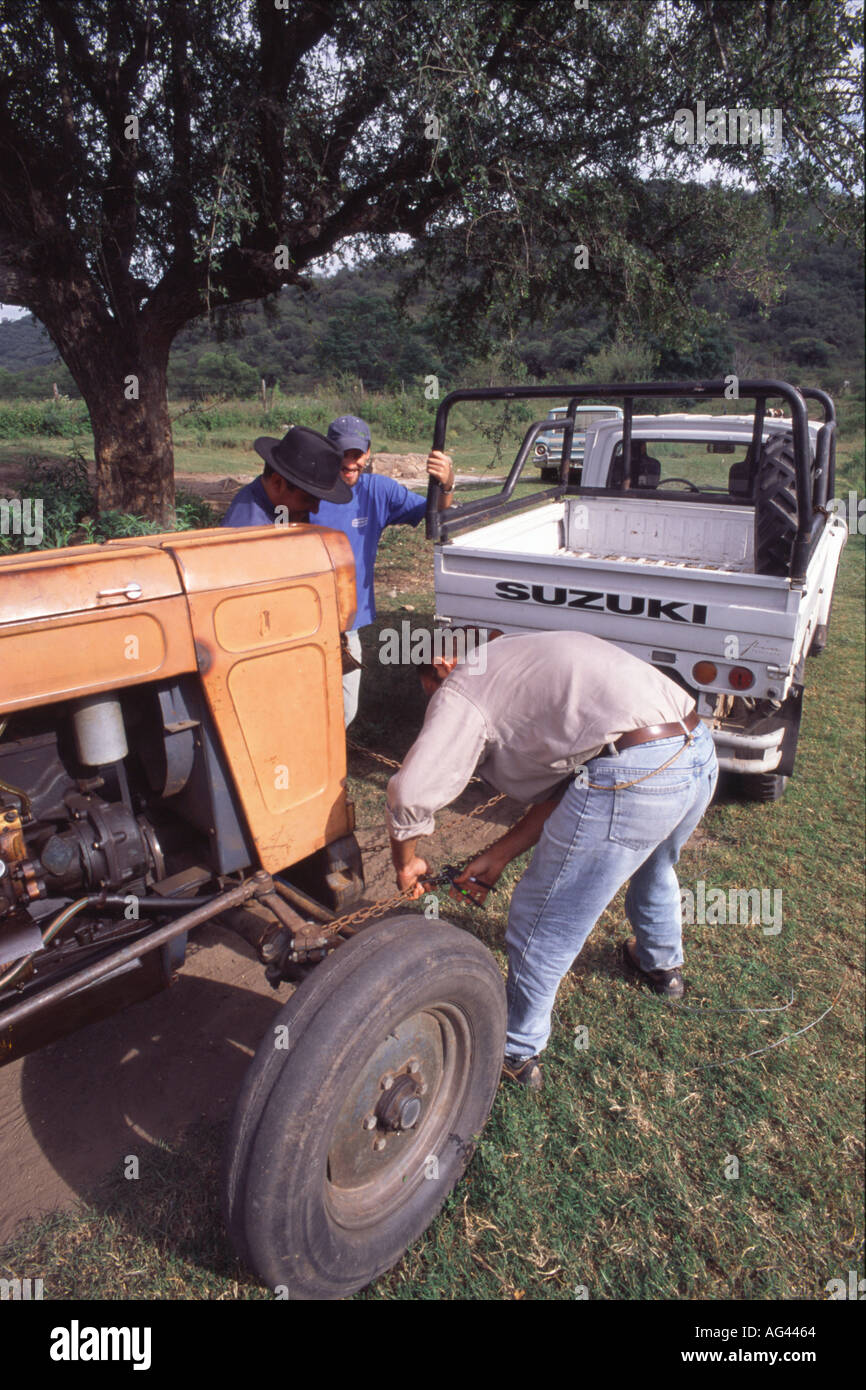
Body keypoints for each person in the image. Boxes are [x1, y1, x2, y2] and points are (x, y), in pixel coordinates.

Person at [385, 630, 718, 1090]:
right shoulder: (517, 654)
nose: (435, 701)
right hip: (695, 747)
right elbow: (577, 781)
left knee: (544, 918)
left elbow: (411, 791)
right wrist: (499, 855)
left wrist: (406, 861)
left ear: (443, 662)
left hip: (635, 769)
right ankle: (660, 964)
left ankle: (516, 1051)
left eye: (431, 690)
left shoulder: (463, 684)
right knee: (655, 863)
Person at [314, 415, 456, 726]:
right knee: (305, 698)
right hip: (304, 616)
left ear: (367, 453)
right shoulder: (307, 492)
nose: (350, 463)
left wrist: (446, 483)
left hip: (345, 623)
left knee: (343, 710)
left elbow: (437, 515)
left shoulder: (378, 491)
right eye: (342, 454)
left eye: (357, 454)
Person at [221, 424, 351, 528]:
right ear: (277, 482)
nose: (315, 510)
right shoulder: (250, 535)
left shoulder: (276, 505)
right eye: (307, 499)